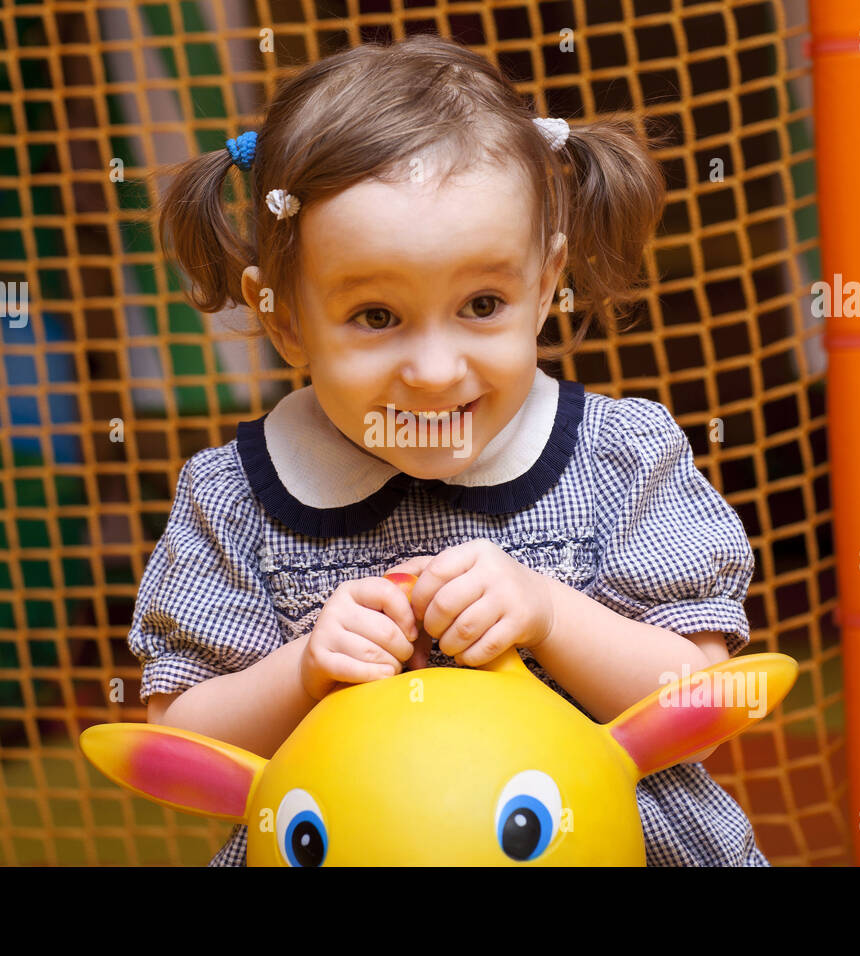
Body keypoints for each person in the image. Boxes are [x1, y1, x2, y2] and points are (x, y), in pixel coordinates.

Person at [131, 34, 764, 866]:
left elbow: (706, 704)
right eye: (377, 317)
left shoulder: (620, 457)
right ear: (283, 316)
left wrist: (550, 613)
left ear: (545, 284)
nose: (434, 373)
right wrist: (302, 672)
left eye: (482, 303)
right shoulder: (235, 499)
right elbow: (177, 740)